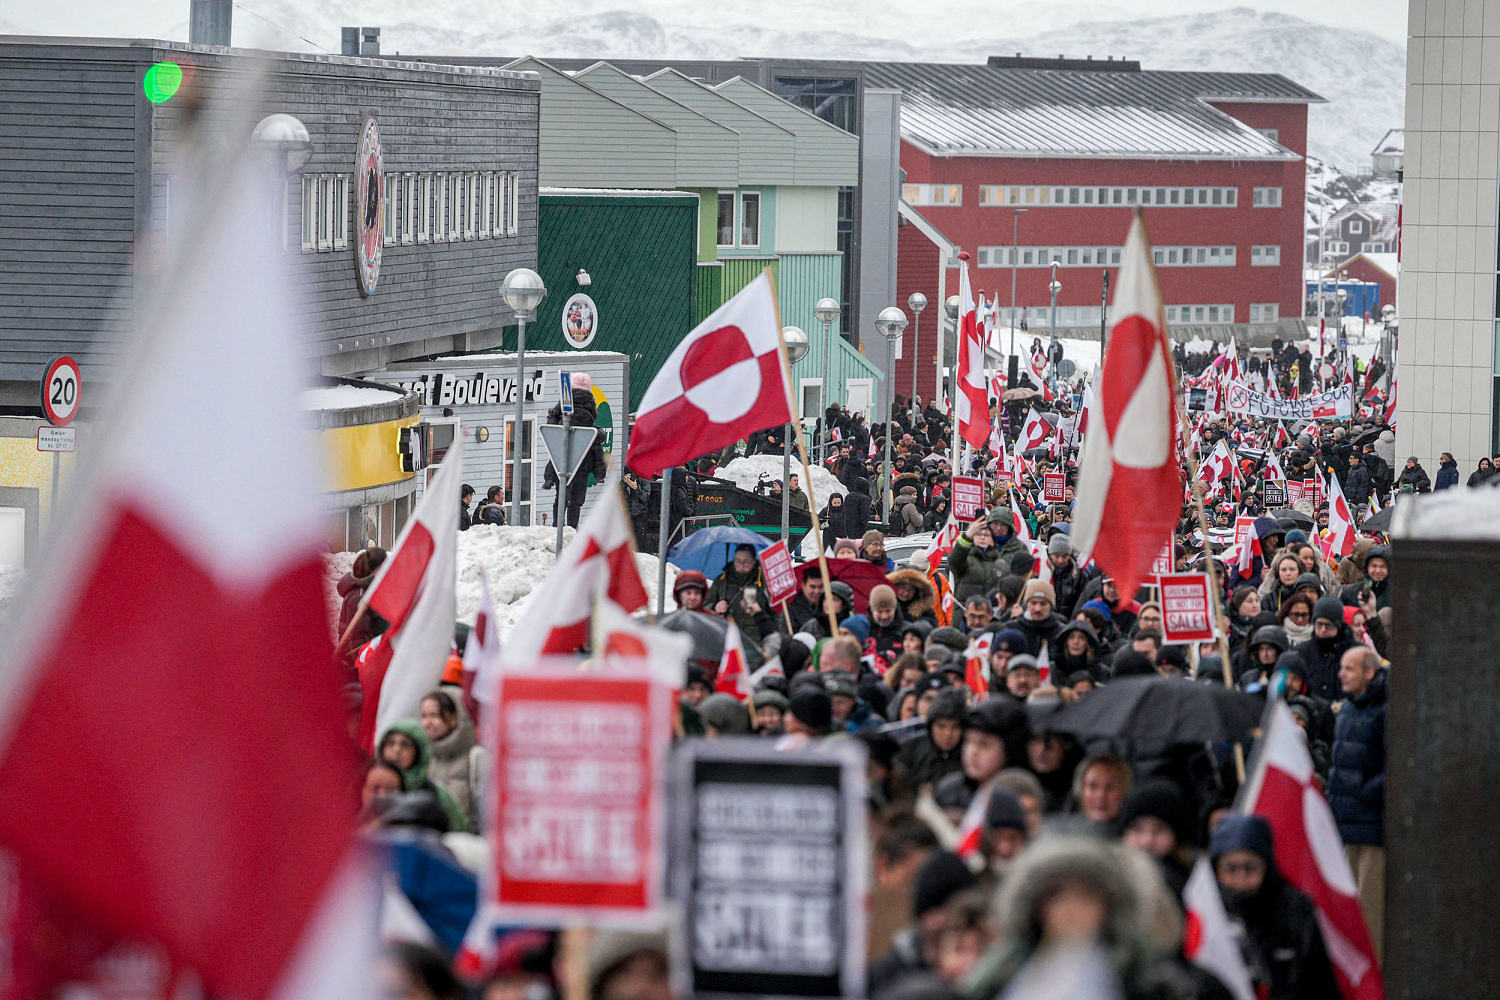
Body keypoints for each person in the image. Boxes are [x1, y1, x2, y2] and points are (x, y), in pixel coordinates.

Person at [1210, 815, 1339, 1000]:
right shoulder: (1208, 909)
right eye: (1231, 869)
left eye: (1250, 868)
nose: (1240, 879)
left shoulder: (1294, 909)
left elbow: (1319, 981)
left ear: (1267, 866)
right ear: (1217, 870)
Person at [1328, 646, 1387, 960]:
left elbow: (1395, 765)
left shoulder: (1386, 710)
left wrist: (1365, 790)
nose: (1341, 675)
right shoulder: (1350, 708)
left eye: (1349, 669)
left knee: (1369, 912)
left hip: (1372, 827)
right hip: (1347, 823)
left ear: (1369, 672)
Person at [376, 721, 466, 833]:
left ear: (419, 752)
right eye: (390, 743)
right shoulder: (370, 786)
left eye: (405, 745)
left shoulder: (438, 795)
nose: (396, 750)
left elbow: (458, 835)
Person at [418, 689, 477, 832]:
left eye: (434, 715)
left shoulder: (474, 757)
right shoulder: (421, 757)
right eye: (424, 716)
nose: (427, 723)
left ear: (455, 717)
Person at [707, 544, 775, 647]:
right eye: (738, 561)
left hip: (756, 642)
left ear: (754, 561)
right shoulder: (722, 581)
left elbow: (775, 613)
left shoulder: (764, 581)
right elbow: (705, 606)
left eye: (746, 561)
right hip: (727, 639)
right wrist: (715, 607)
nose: (741, 565)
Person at [1295, 595, 1355, 701]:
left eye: (1328, 625)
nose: (1323, 629)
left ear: (1338, 626)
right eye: (1319, 624)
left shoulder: (1355, 652)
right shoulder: (1302, 652)